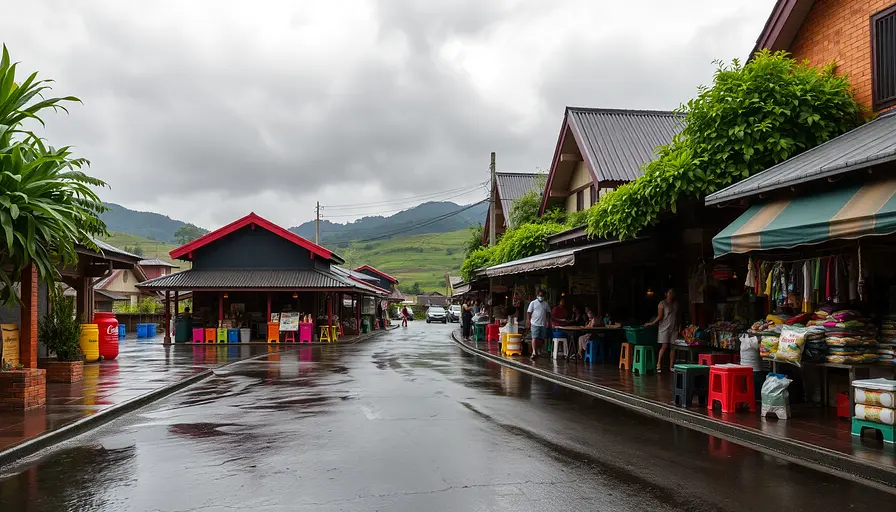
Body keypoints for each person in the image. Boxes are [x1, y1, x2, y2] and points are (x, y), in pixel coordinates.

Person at [645, 288, 679, 372]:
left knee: (673, 347)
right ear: (666, 294)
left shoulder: (676, 304)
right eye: (669, 292)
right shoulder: (662, 303)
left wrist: (679, 326)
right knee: (664, 346)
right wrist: (652, 323)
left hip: (673, 326)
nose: (671, 294)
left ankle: (671, 365)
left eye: (672, 292)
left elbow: (678, 315)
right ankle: (658, 364)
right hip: (664, 326)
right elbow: (660, 316)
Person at [526, 289, 551, 360]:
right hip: (534, 323)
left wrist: (548, 322)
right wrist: (528, 321)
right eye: (540, 295)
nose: (541, 297)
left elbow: (548, 313)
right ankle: (534, 352)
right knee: (534, 337)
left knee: (542, 338)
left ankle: (539, 350)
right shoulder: (533, 303)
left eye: (542, 296)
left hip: (542, 324)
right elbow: (528, 312)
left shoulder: (545, 304)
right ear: (537, 296)